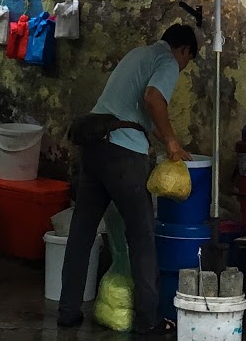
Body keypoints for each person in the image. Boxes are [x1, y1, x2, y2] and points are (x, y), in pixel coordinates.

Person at [57, 24, 198, 335]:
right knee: (143, 236)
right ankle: (149, 320)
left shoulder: (138, 54)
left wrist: (165, 139)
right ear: (184, 50)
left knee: (82, 233)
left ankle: (67, 311)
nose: (183, 67)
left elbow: (139, 109)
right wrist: (173, 142)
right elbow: (153, 98)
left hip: (94, 147)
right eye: (187, 61)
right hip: (123, 155)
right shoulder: (168, 61)